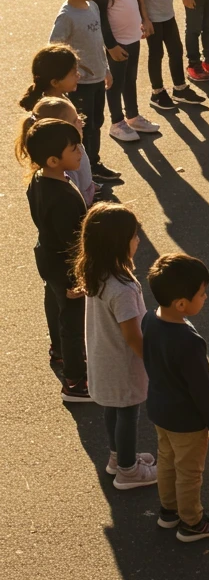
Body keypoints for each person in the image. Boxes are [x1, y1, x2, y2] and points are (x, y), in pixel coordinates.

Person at [142, 253, 209, 541]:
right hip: (187, 420)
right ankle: (192, 521)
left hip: (159, 408)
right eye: (202, 294)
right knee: (190, 471)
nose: (205, 297)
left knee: (166, 460)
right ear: (182, 304)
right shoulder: (189, 342)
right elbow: (201, 389)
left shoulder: (148, 320)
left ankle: (169, 511)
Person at [73, 203, 157, 489]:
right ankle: (128, 471)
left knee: (113, 409)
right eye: (134, 235)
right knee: (128, 413)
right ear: (119, 243)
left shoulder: (96, 274)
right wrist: (153, 362)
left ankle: (118, 456)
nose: (138, 240)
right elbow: (132, 335)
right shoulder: (122, 287)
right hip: (123, 364)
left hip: (102, 358)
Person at [23, 119, 88, 401]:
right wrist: (78, 279)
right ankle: (75, 382)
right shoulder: (61, 198)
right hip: (65, 265)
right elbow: (71, 244)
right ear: (53, 160)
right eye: (74, 148)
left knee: (54, 302)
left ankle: (59, 351)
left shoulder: (40, 179)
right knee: (73, 321)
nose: (81, 152)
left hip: (48, 258)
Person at [86, 0, 160, 144]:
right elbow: (101, 16)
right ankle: (117, 123)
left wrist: (144, 20)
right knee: (115, 83)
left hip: (132, 37)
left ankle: (133, 117)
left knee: (130, 79)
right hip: (117, 42)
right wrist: (110, 45)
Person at [49, 0, 118, 182]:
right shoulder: (67, 16)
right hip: (80, 85)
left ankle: (94, 164)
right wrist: (73, 73)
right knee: (82, 129)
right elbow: (55, 49)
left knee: (96, 123)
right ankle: (82, 172)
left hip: (98, 79)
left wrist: (106, 69)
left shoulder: (93, 7)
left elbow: (97, 43)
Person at [16, 97, 96, 207]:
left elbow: (83, 171)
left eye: (79, 116)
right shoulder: (64, 174)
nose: (81, 121)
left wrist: (89, 184)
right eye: (75, 121)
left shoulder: (72, 147)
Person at [20, 43, 80, 111]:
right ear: (55, 82)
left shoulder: (61, 98)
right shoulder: (54, 109)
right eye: (74, 73)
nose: (78, 75)